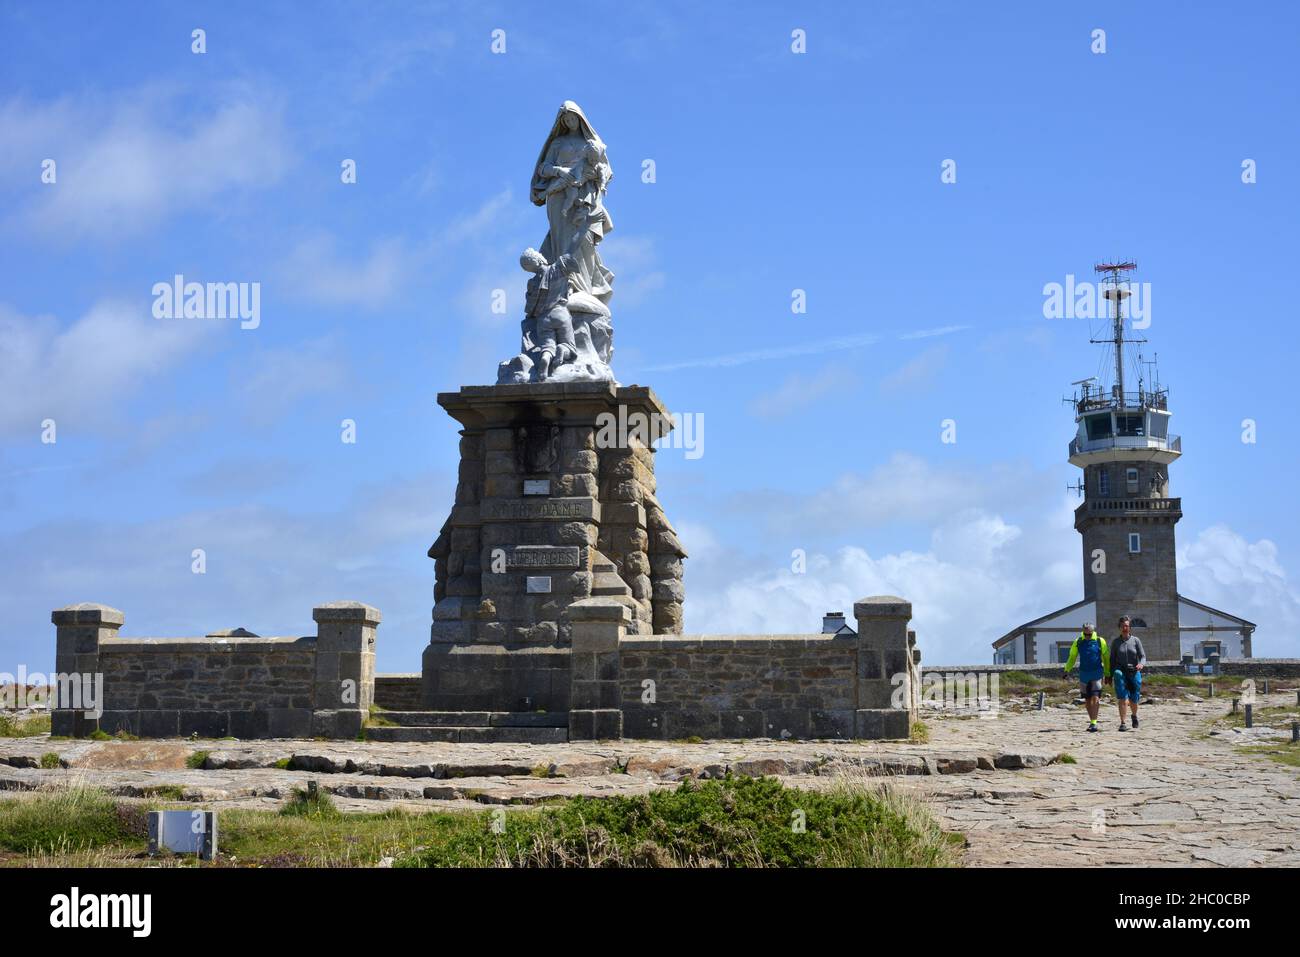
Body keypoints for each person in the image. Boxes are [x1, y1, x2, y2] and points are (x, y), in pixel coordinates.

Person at [519, 247, 578, 381]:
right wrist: (583, 228)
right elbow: (571, 249)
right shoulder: (555, 269)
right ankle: (562, 349)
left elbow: (529, 309)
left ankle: (546, 358)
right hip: (560, 313)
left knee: (547, 347)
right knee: (569, 346)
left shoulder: (532, 283)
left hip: (543, 319)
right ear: (539, 259)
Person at [1063, 621, 1110, 733]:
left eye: (1089, 634)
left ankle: (1094, 723)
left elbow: (1106, 657)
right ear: (1083, 632)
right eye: (1085, 634)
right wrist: (1066, 669)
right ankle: (1092, 721)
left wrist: (1108, 673)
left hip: (1097, 673)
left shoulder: (1100, 641)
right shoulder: (1078, 641)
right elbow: (1072, 657)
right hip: (1084, 674)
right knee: (1087, 700)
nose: (1087, 636)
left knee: (1095, 697)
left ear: (1093, 632)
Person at [1109, 615, 1147, 731]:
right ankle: (1123, 723)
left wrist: (1141, 664)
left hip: (1134, 672)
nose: (1124, 628)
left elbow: (1143, 656)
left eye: (1126, 626)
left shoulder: (1136, 640)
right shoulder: (1115, 642)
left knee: (1134, 699)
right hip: (1120, 672)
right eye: (1122, 626)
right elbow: (1112, 660)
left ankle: (1134, 716)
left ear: (1130, 627)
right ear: (1119, 627)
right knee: (1122, 697)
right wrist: (1109, 675)